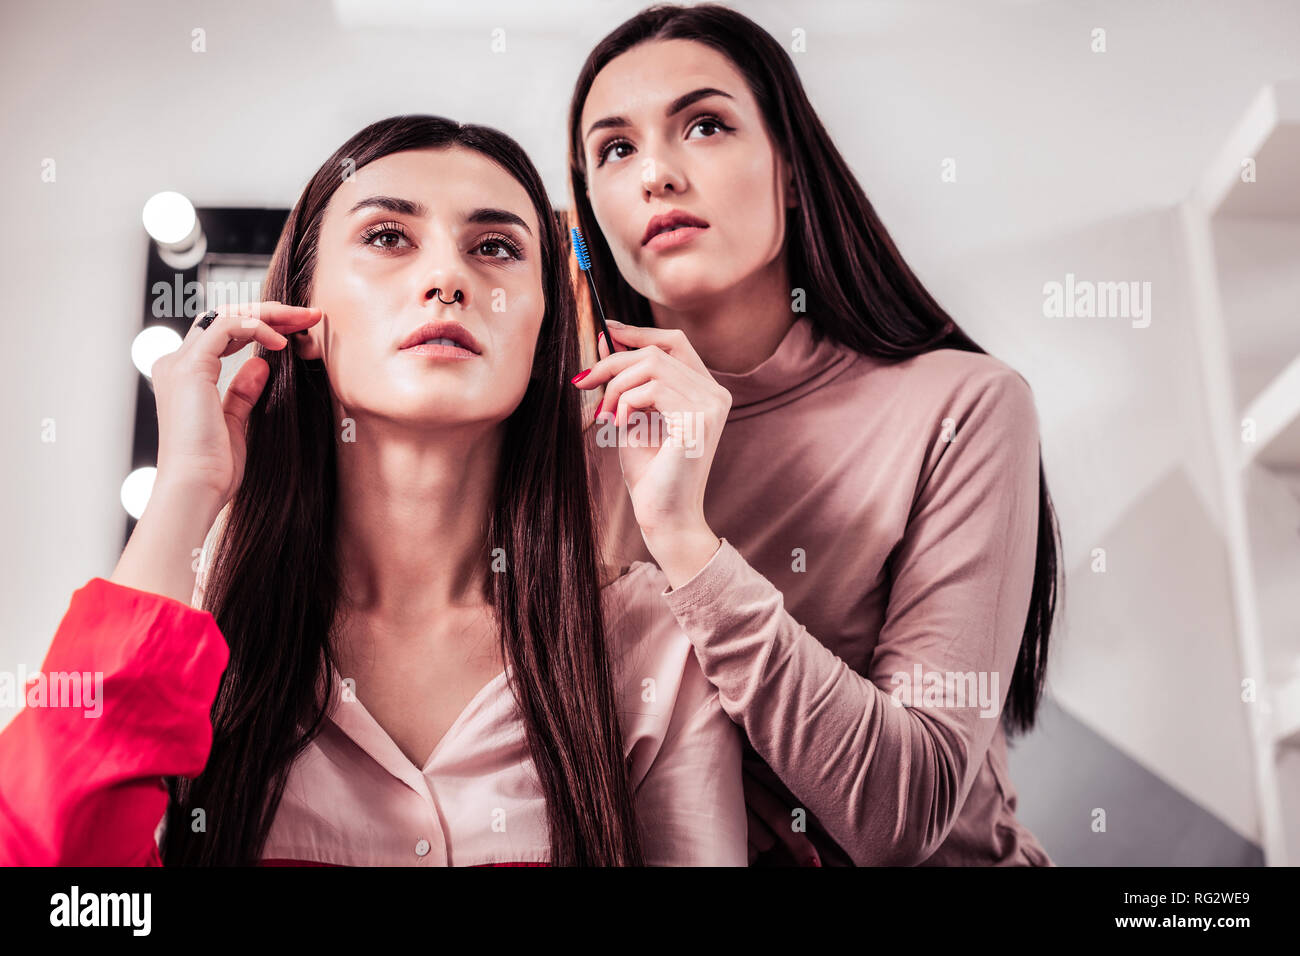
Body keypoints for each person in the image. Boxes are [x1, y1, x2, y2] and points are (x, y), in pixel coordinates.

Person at [0, 114, 746, 867]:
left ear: (544, 326)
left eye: (495, 248)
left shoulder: (651, 645)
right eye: (388, 236)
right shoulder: (190, 629)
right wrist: (184, 490)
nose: (448, 279)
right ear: (301, 316)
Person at [565, 4, 1059, 866]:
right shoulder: (560, 444)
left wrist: (686, 540)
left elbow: (900, 815)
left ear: (791, 170)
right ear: (589, 214)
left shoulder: (965, 406)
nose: (657, 175)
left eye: (705, 126)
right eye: (616, 148)